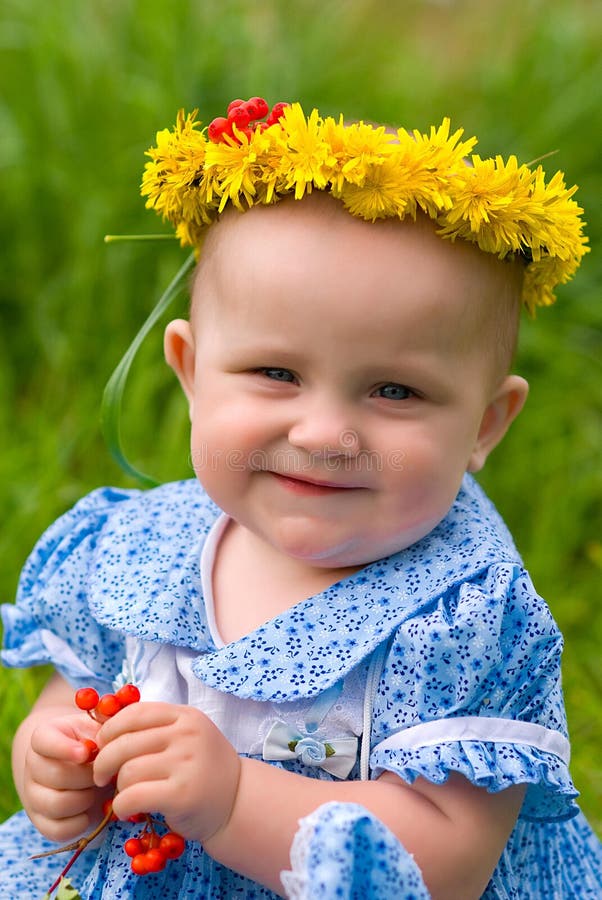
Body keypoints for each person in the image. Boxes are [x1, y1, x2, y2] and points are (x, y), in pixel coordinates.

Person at [0, 98, 600, 899]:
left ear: (485, 425)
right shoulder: (136, 544)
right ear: (189, 372)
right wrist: (55, 762)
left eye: (395, 389)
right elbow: (66, 700)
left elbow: (452, 859)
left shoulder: (462, 618)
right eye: (276, 374)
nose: (323, 433)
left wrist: (237, 800)